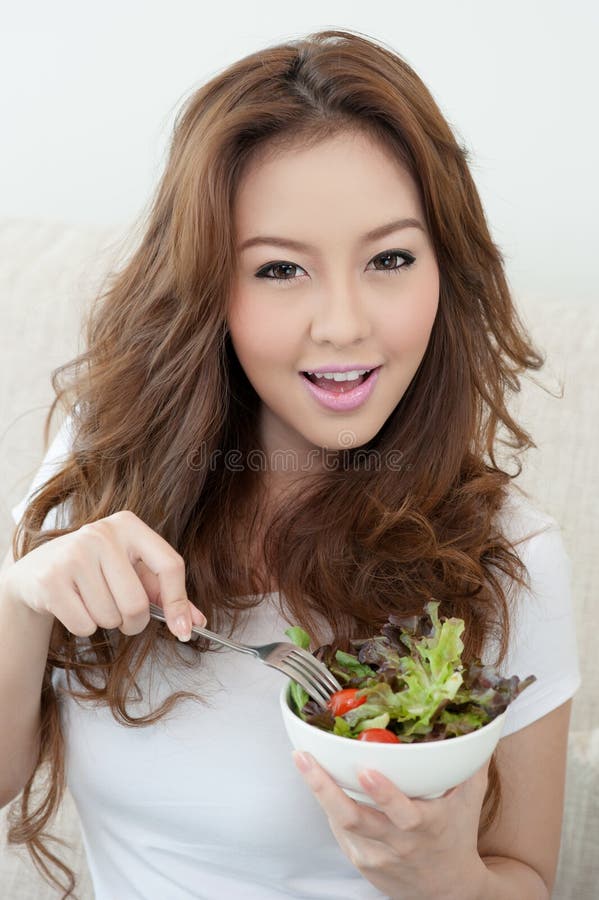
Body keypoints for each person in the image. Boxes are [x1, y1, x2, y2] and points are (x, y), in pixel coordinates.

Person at [0, 27, 581, 900]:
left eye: (389, 258)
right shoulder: (103, 458)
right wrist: (20, 597)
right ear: (206, 287)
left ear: (444, 270)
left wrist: (444, 878)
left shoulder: (511, 555)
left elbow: (528, 879)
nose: (343, 324)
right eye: (279, 269)